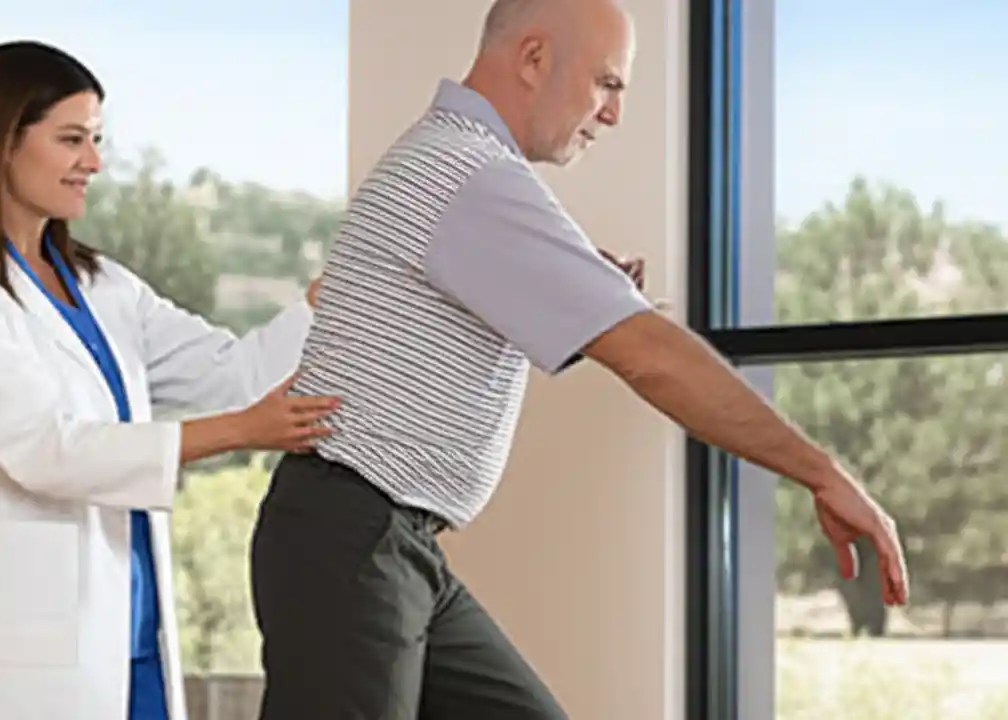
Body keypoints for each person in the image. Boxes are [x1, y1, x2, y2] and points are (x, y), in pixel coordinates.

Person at [248, 0, 910, 717]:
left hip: (383, 540)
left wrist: (578, 285)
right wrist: (821, 472)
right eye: (607, 83)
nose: (614, 114)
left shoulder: (459, 163)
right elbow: (652, 358)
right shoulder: (471, 175)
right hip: (352, 538)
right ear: (534, 59)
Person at [0, 40, 337, 720]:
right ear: (1, 143)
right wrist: (241, 433)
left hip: (131, 636)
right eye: (71, 139)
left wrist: (328, 301)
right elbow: (47, 449)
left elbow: (233, 374)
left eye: (96, 140)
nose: (94, 163)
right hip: (26, 650)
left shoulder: (105, 286)